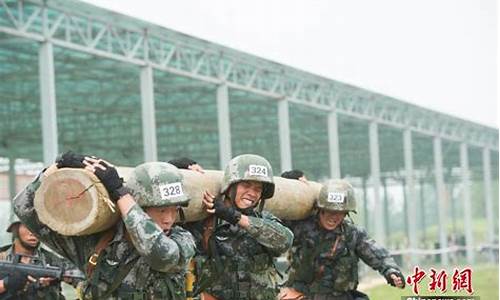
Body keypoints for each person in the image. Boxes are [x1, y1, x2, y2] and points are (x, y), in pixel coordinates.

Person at [13, 151, 196, 299]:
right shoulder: (97, 244)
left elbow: (159, 254)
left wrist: (120, 193)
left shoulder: (181, 241)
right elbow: (24, 207)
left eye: (174, 210)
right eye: (162, 210)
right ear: (140, 207)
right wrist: (56, 167)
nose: (169, 219)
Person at [185, 154, 294, 299]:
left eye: (258, 189)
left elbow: (285, 240)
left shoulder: (264, 220)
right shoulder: (205, 222)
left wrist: (234, 216)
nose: (252, 193)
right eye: (246, 185)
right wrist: (180, 166)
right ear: (230, 186)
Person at [280, 179, 405, 300]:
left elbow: (376, 253)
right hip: (304, 295)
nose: (333, 217)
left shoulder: (352, 234)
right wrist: (291, 180)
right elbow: (277, 220)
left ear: (346, 213)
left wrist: (390, 270)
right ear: (321, 209)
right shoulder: (300, 228)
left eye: (339, 212)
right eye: (330, 211)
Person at [0, 216, 80, 300]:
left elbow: (80, 278)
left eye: (36, 227)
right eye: (27, 226)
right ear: (14, 229)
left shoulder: (52, 260)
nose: (33, 232)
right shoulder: (2, 258)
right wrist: (7, 283)